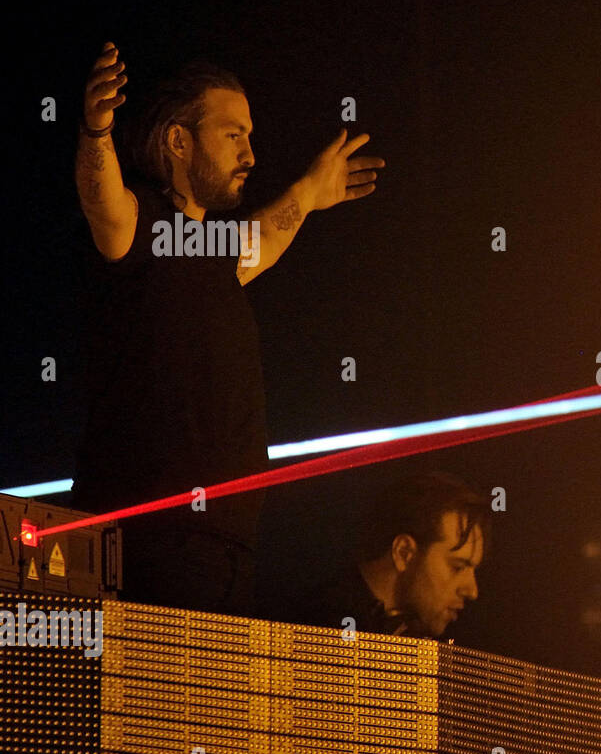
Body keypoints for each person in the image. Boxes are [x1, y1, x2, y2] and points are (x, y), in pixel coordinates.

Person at [70, 42, 385, 614]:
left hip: (228, 545)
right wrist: (96, 132)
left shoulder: (211, 248)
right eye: (232, 134)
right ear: (178, 140)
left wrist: (311, 195)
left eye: (250, 136)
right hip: (151, 542)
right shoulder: (143, 229)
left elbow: (262, 237)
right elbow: (103, 202)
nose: (251, 154)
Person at [307, 473, 490, 638]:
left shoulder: (410, 635)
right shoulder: (312, 630)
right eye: (457, 567)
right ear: (404, 553)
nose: (472, 591)